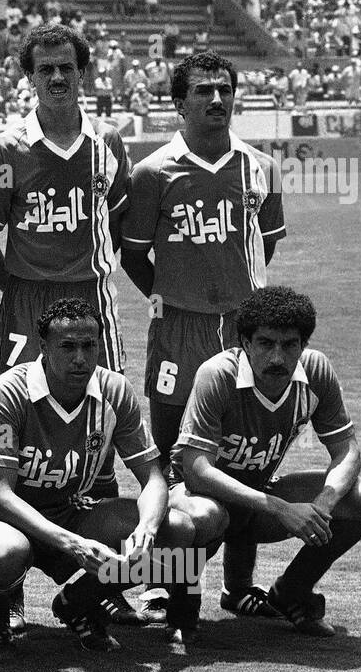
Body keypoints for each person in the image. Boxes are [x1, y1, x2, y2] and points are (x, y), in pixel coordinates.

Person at [120, 51, 285, 611]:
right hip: (178, 333)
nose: (217, 100)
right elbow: (135, 256)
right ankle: (166, 585)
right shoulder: (152, 173)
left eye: (225, 89)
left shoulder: (261, 166)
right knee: (170, 457)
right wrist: (176, 300)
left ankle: (238, 588)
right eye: (203, 91)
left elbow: (269, 241)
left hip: (245, 334)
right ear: (179, 102)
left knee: (247, 455)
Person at [0, 297, 226, 649]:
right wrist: (73, 545)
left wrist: (146, 529)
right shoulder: (10, 391)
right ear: (44, 348)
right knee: (6, 551)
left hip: (74, 511)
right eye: (67, 347)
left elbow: (153, 478)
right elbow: (0, 496)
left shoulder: (114, 389)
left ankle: (77, 603)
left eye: (89, 346)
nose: (80, 358)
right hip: (16, 520)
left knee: (179, 530)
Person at [168, 286, 361, 634]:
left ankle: (291, 593)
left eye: (289, 345)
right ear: (245, 342)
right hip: (192, 499)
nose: (278, 358)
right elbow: (196, 470)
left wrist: (323, 505)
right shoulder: (218, 375)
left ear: (304, 345)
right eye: (266, 343)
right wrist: (280, 507)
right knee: (207, 515)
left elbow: (347, 450)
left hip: (258, 499)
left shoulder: (315, 372)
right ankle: (179, 603)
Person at [0, 25, 131, 499]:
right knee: (19, 410)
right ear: (29, 77)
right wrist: (19, 283)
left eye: (67, 67)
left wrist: (92, 268)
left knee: (99, 406)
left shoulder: (108, 141)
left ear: (83, 71)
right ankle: (8, 532)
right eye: (46, 69)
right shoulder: (9, 148)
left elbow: (120, 223)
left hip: (92, 295)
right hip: (28, 297)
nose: (58, 77)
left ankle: (101, 525)